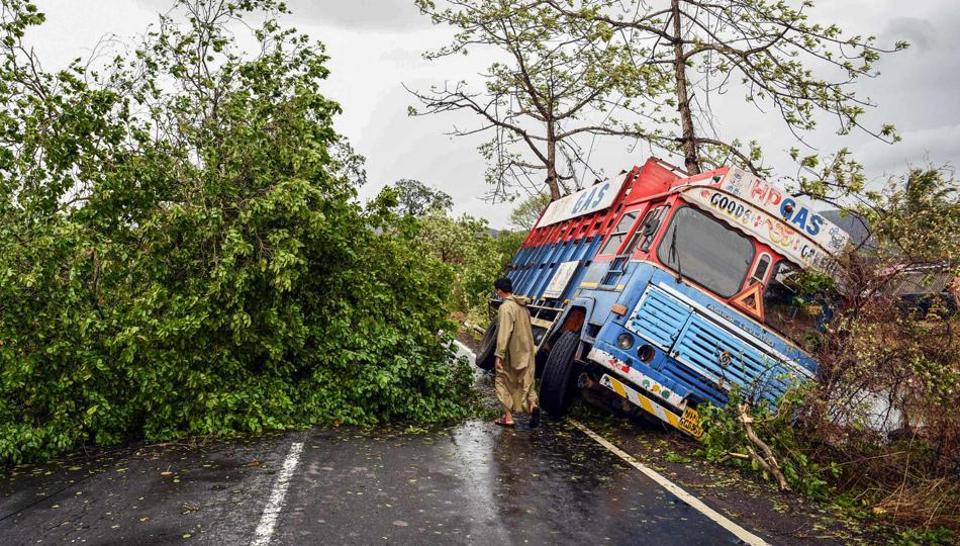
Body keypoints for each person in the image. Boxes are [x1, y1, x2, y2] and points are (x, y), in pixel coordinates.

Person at [492, 277, 540, 428]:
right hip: (527, 351)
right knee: (527, 383)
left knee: (502, 381)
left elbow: (504, 333)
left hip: (512, 353)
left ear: (499, 291)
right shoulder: (523, 307)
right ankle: (533, 407)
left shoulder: (506, 308)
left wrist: (499, 354)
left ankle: (508, 417)